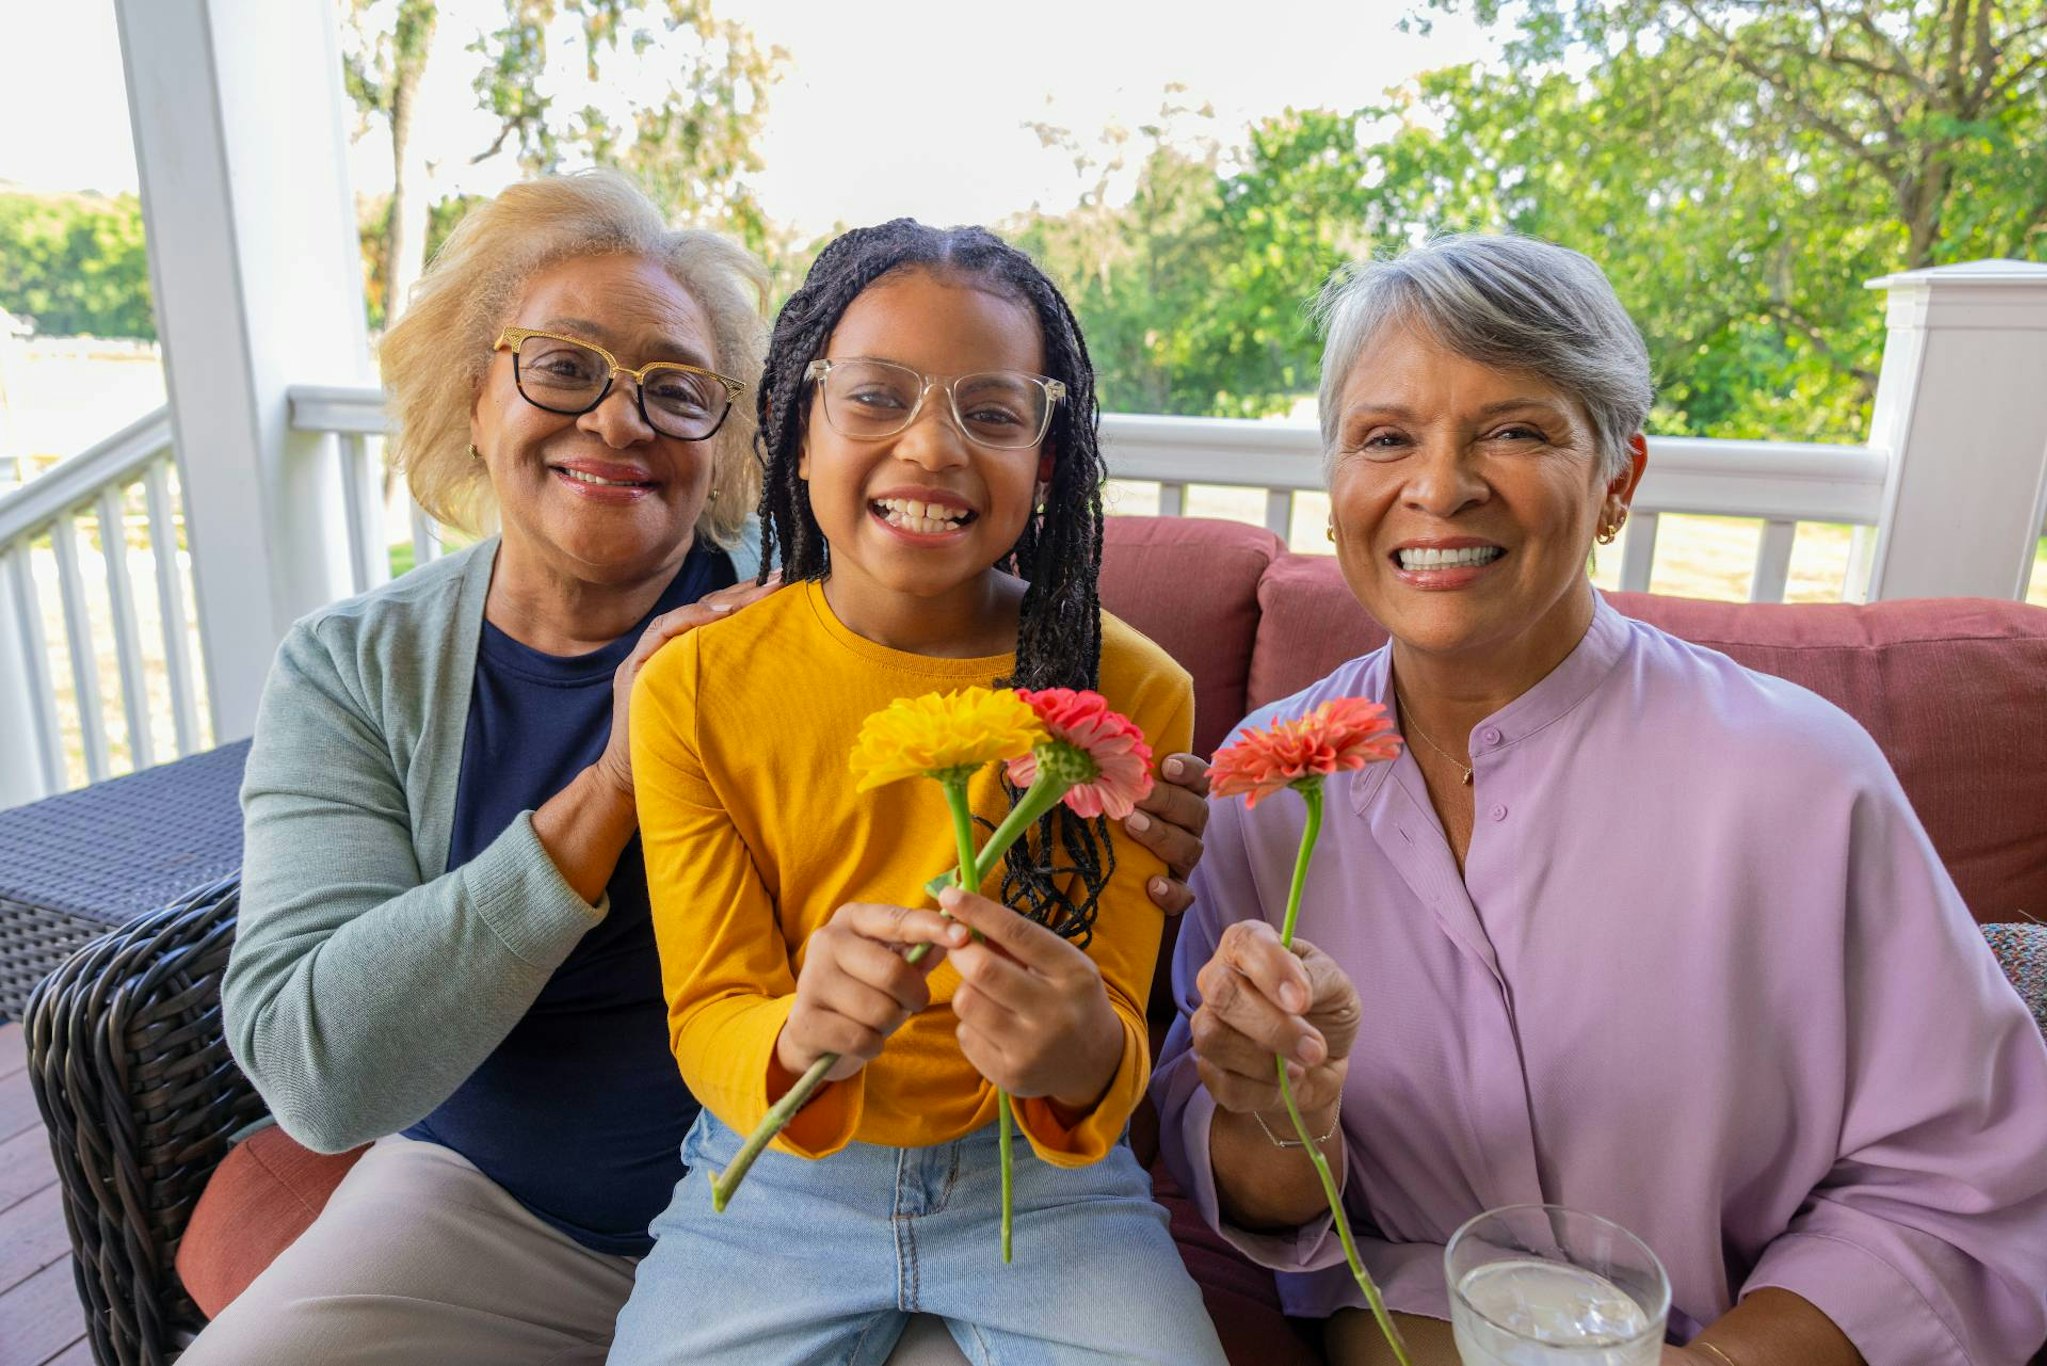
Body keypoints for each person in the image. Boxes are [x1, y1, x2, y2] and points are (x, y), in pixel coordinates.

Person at [187, 173, 1211, 1366]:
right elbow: (319, 1073)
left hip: (929, 1182)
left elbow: (931, 569)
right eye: (562, 367)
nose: (618, 423)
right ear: (471, 394)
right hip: (537, 1199)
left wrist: (1131, 816)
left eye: (674, 390)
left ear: (736, 431)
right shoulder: (373, 669)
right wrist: (608, 785)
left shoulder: (842, 588)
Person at [1152, 234, 2047, 1366]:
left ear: (1618, 477)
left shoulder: (1798, 777)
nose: (1438, 487)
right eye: (1385, 438)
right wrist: (1283, 1114)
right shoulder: (1264, 789)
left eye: (1513, 430)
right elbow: (1251, 1188)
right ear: (1333, 487)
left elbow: (1964, 1180)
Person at [609, 221, 1230, 1365]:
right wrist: (799, 1034)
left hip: (1044, 1183)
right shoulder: (692, 690)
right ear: (798, 434)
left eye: (991, 413)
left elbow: (1121, 1033)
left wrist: (1079, 1047)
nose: (931, 448)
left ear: (1046, 464)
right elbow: (708, 1010)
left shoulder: (1130, 689)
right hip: (777, 1169)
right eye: (875, 397)